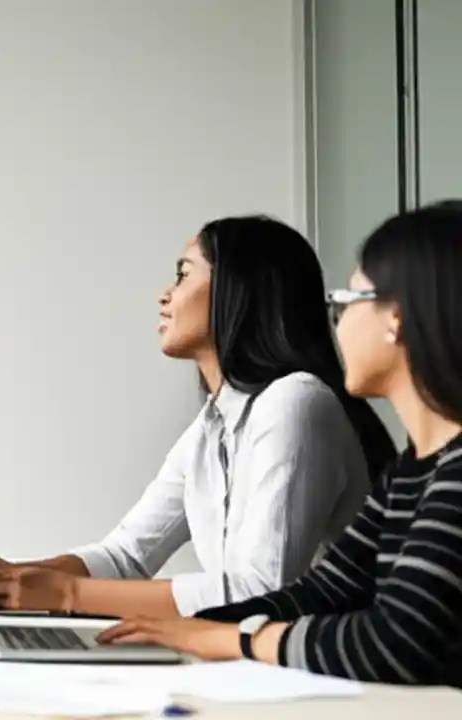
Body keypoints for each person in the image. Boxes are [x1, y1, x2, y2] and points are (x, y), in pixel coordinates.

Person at [0, 216, 395, 618]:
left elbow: (261, 589)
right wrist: (8, 576)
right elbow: (126, 556)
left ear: (238, 287)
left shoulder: (296, 401)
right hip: (257, 659)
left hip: (329, 676)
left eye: (183, 274)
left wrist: (65, 593)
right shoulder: (213, 425)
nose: (165, 294)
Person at [98, 201, 462, 688]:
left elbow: (392, 643)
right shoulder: (412, 472)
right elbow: (320, 590)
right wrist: (190, 629)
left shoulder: (455, 473)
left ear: (394, 317)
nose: (334, 319)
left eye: (348, 301)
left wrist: (237, 640)